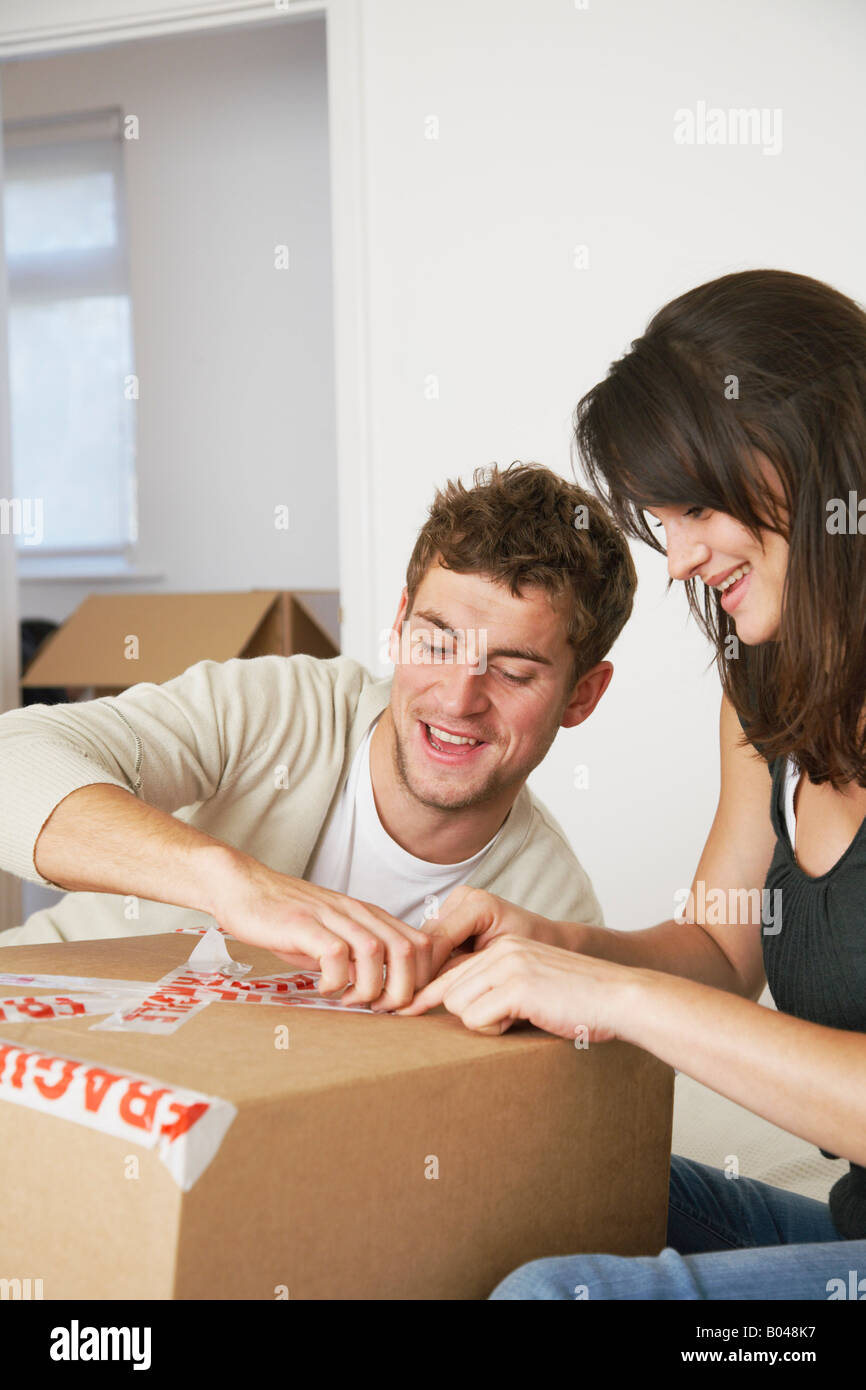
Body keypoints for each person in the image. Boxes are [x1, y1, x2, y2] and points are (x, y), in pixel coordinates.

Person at [400, 269, 866, 1297]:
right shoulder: (766, 703)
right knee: (539, 1179)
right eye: (665, 518)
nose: (679, 559)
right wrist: (551, 945)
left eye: (695, 507)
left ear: (814, 455)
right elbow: (715, 948)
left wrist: (610, 994)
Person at [0, 462, 635, 1012]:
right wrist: (235, 884)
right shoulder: (279, 708)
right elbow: (13, 761)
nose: (457, 697)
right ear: (398, 622)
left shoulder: (552, 910)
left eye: (511, 670)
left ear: (581, 695)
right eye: (435, 643)